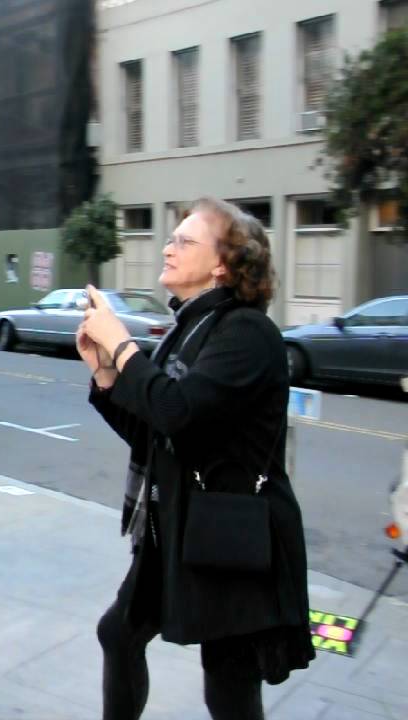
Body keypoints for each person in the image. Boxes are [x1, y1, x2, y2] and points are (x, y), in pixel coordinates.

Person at [76, 197, 313, 719]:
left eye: (185, 240)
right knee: (118, 634)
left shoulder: (247, 333)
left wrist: (122, 347)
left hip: (229, 538)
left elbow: (177, 410)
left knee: (228, 690)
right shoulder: (190, 328)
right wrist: (106, 374)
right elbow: (153, 429)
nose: (168, 247)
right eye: (170, 238)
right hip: (177, 528)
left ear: (223, 263)